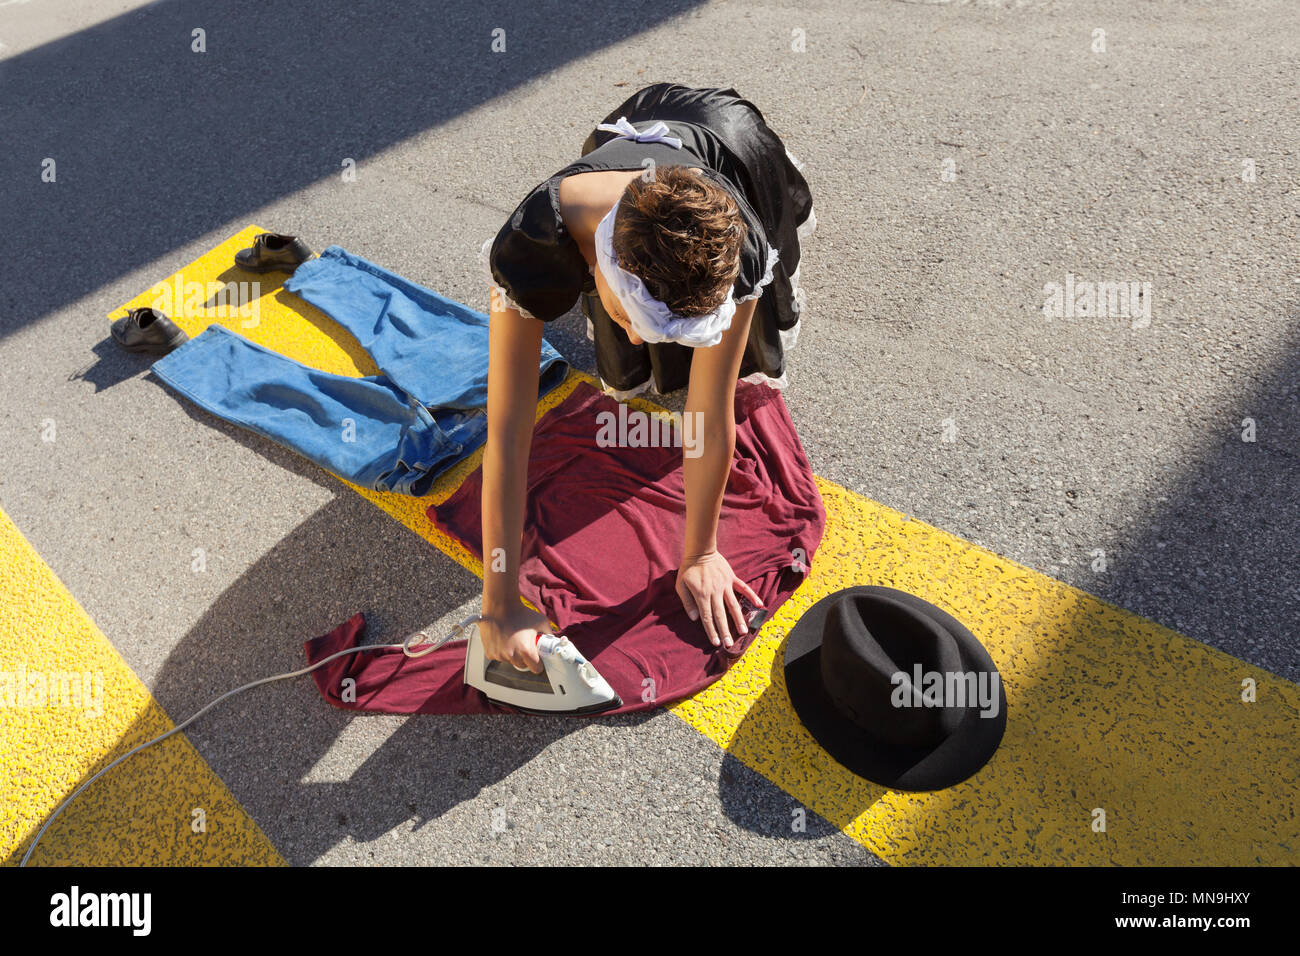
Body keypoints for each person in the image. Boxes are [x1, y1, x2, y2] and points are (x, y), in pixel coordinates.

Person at [477, 82, 816, 673]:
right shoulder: (531, 239)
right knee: (628, 353)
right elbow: (507, 431)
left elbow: (707, 415)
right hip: (627, 125)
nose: (639, 335)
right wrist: (499, 603)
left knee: (723, 360)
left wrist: (703, 551)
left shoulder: (737, 243)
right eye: (627, 316)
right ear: (597, 258)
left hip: (729, 141)